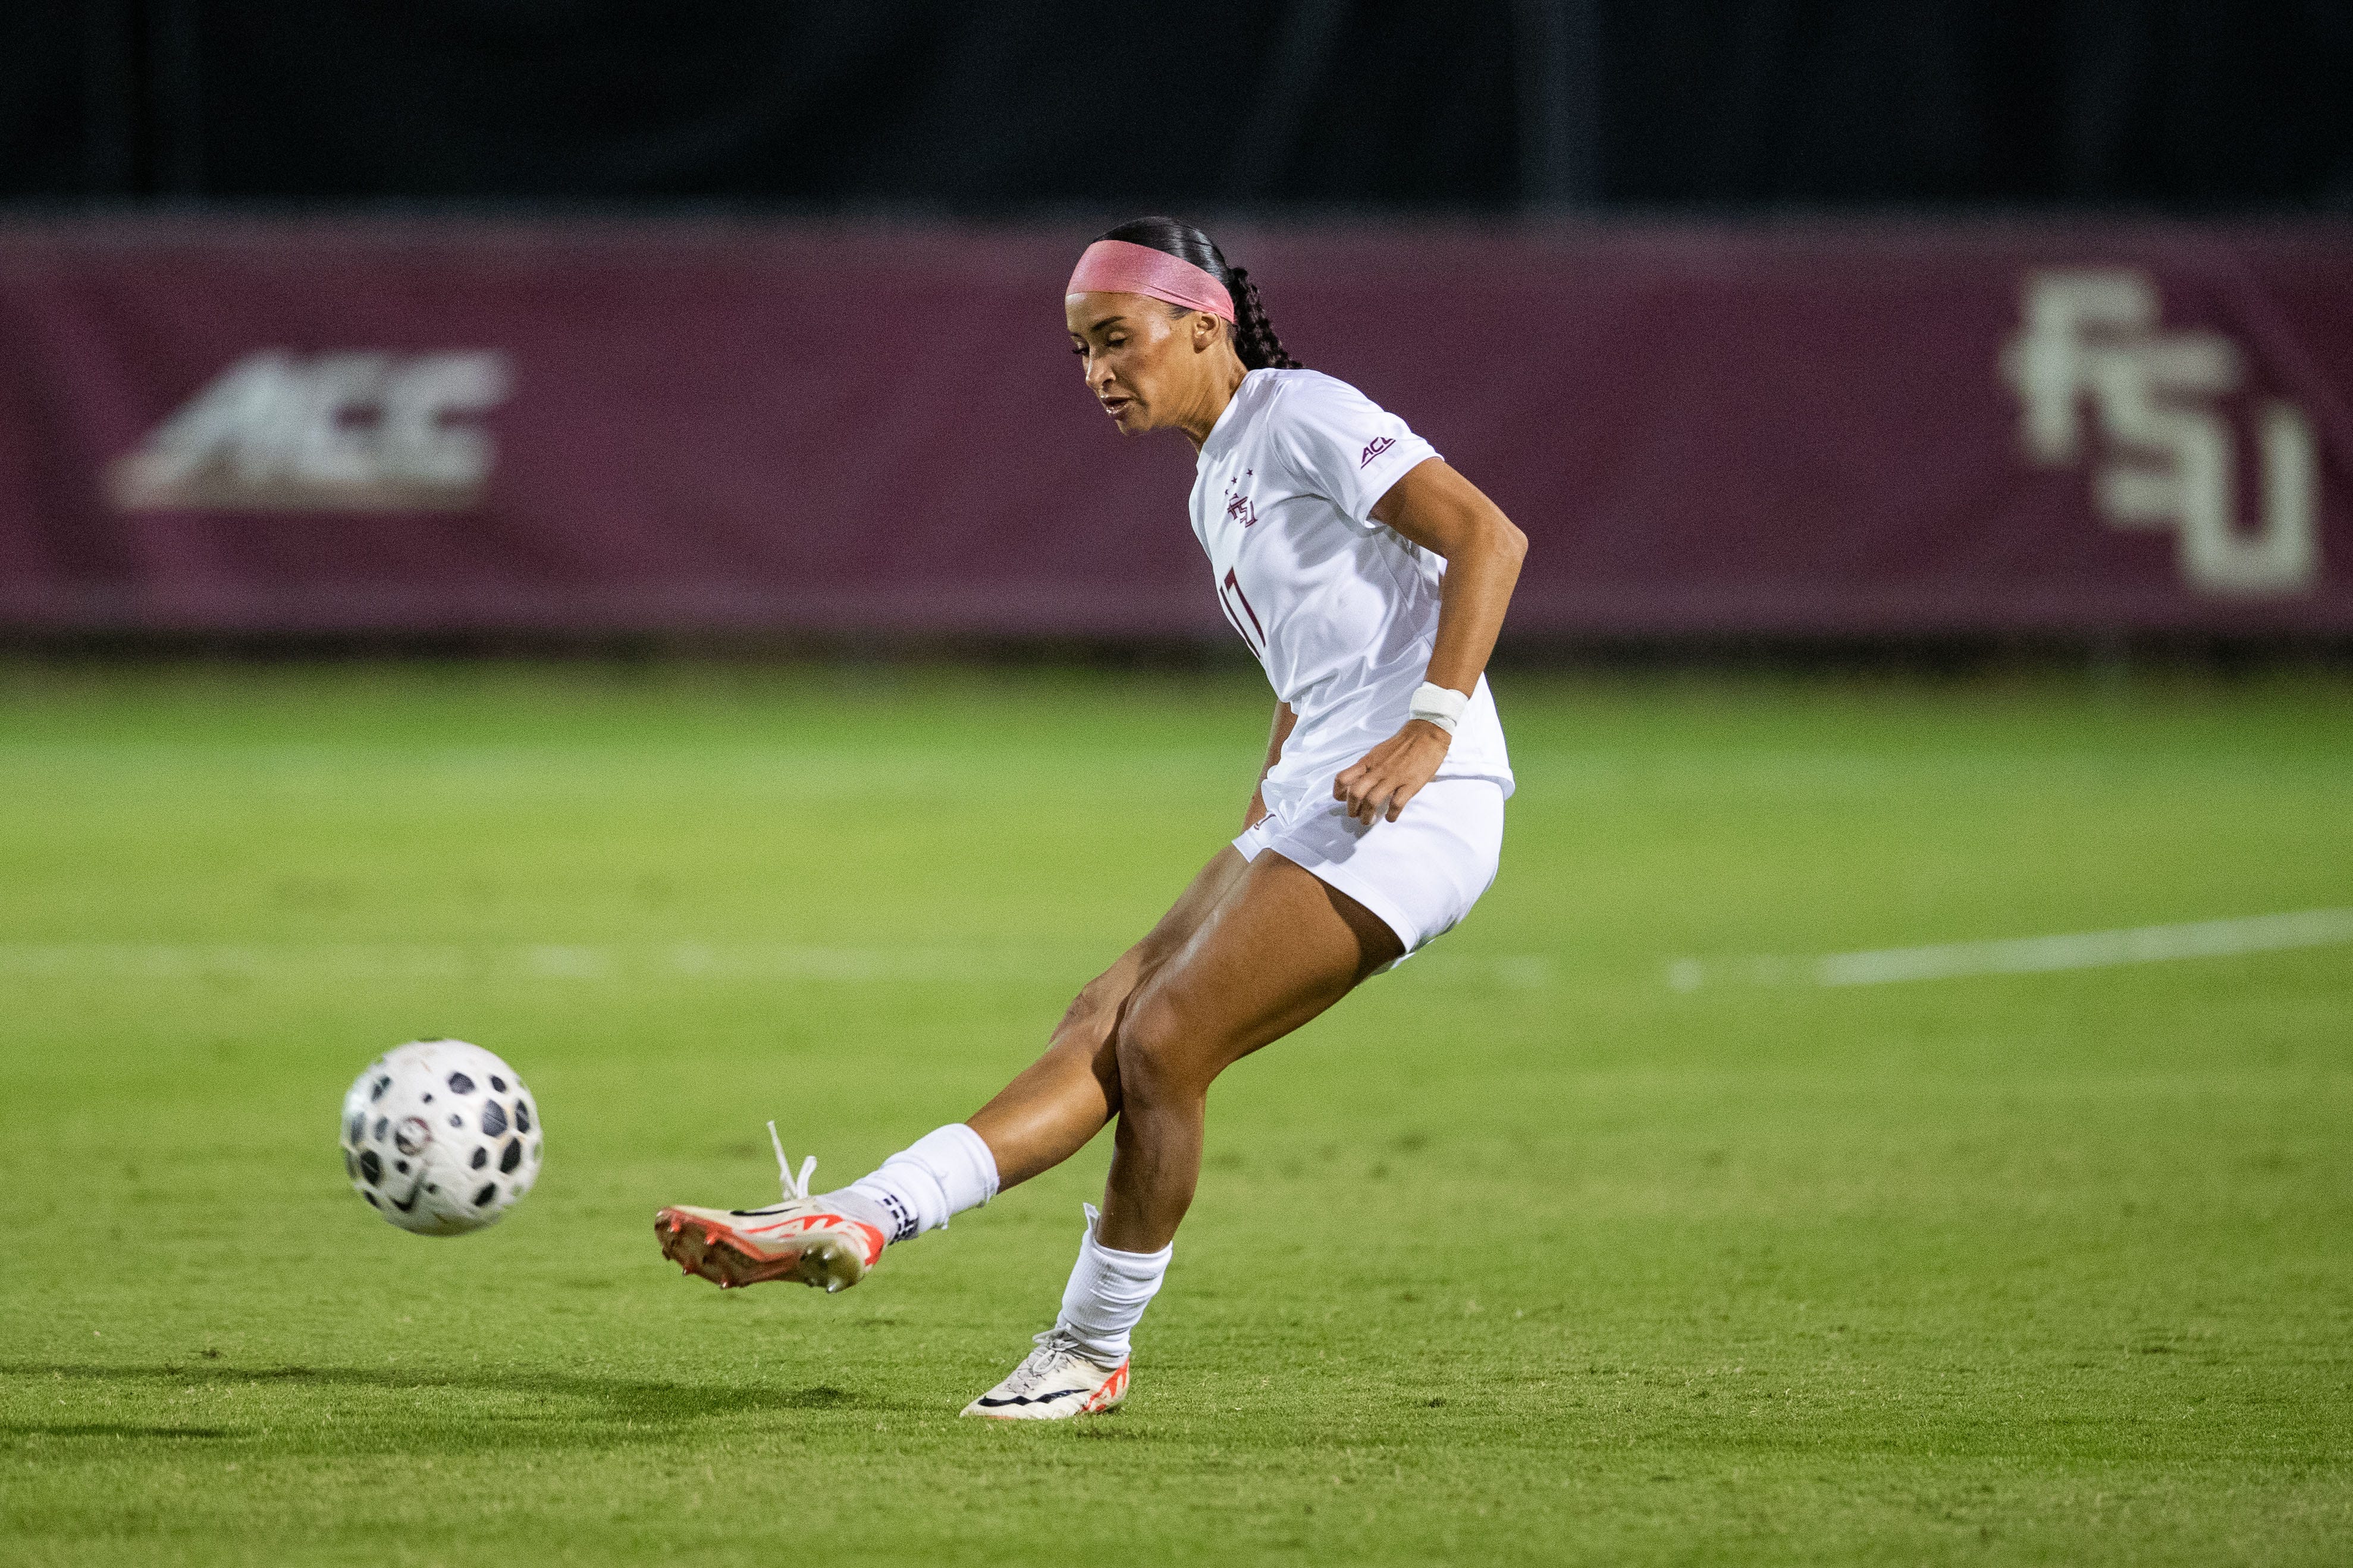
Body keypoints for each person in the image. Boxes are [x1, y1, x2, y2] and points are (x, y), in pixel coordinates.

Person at [655, 216, 1526, 1419]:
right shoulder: (1214, 480)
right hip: (1314, 798)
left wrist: (1431, 724)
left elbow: (1489, 534)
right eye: (1079, 351)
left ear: (1202, 323)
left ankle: (1088, 1348)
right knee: (1101, 1020)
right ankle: (856, 1212)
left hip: (1422, 800)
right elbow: (1306, 684)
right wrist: (1251, 836)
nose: (1097, 372)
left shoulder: (1302, 410)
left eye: (1116, 339)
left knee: (1165, 1039)